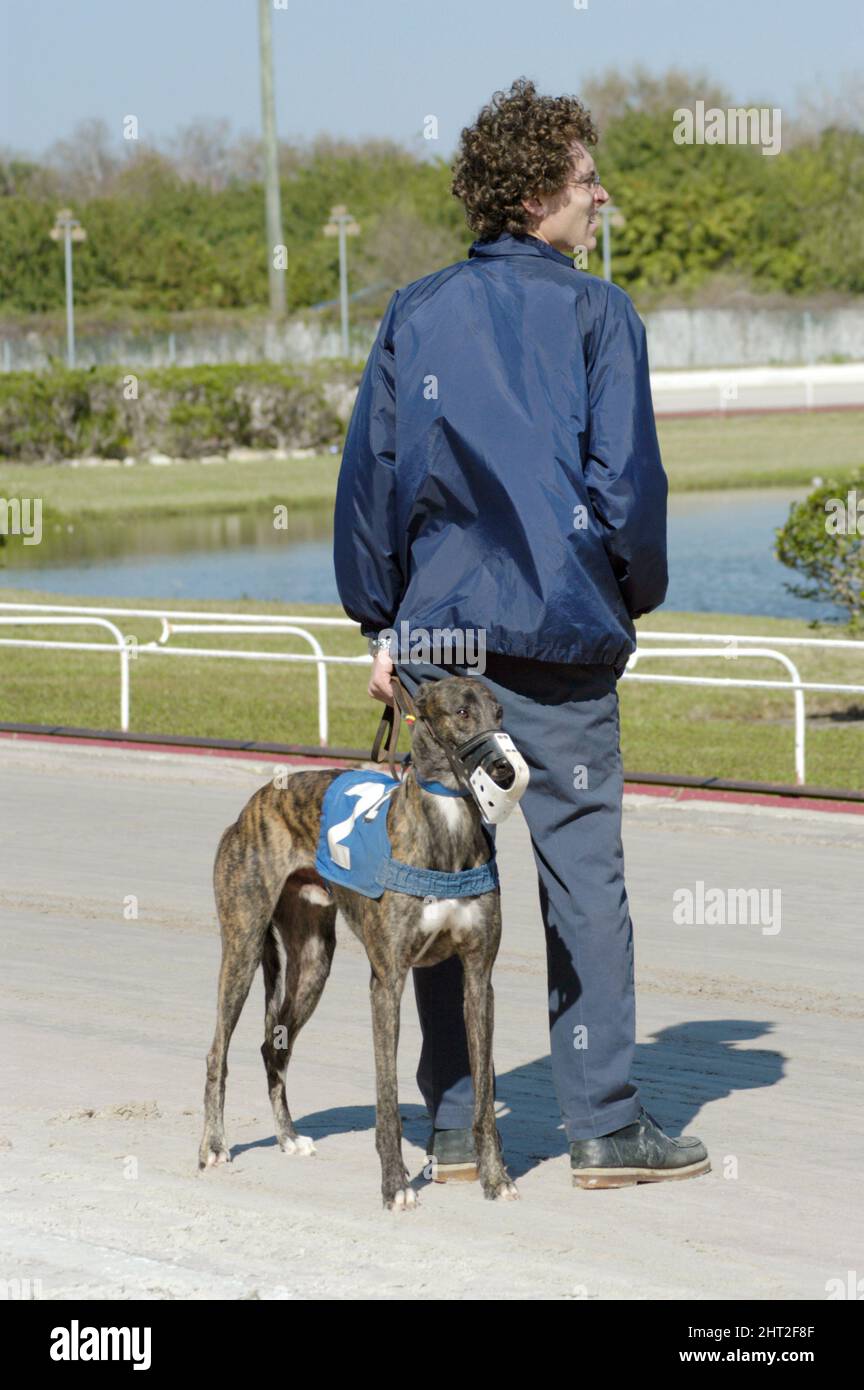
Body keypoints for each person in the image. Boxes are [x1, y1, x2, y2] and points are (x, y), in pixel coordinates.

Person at [332, 77, 710, 1188]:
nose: (603, 199)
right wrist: (627, 591)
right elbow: (628, 489)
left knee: (447, 876)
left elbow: (377, 484)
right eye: (589, 179)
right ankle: (602, 1127)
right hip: (561, 644)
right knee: (583, 881)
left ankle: (453, 1127)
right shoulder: (600, 315)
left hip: (443, 650)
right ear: (541, 192)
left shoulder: (416, 310)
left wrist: (381, 620)